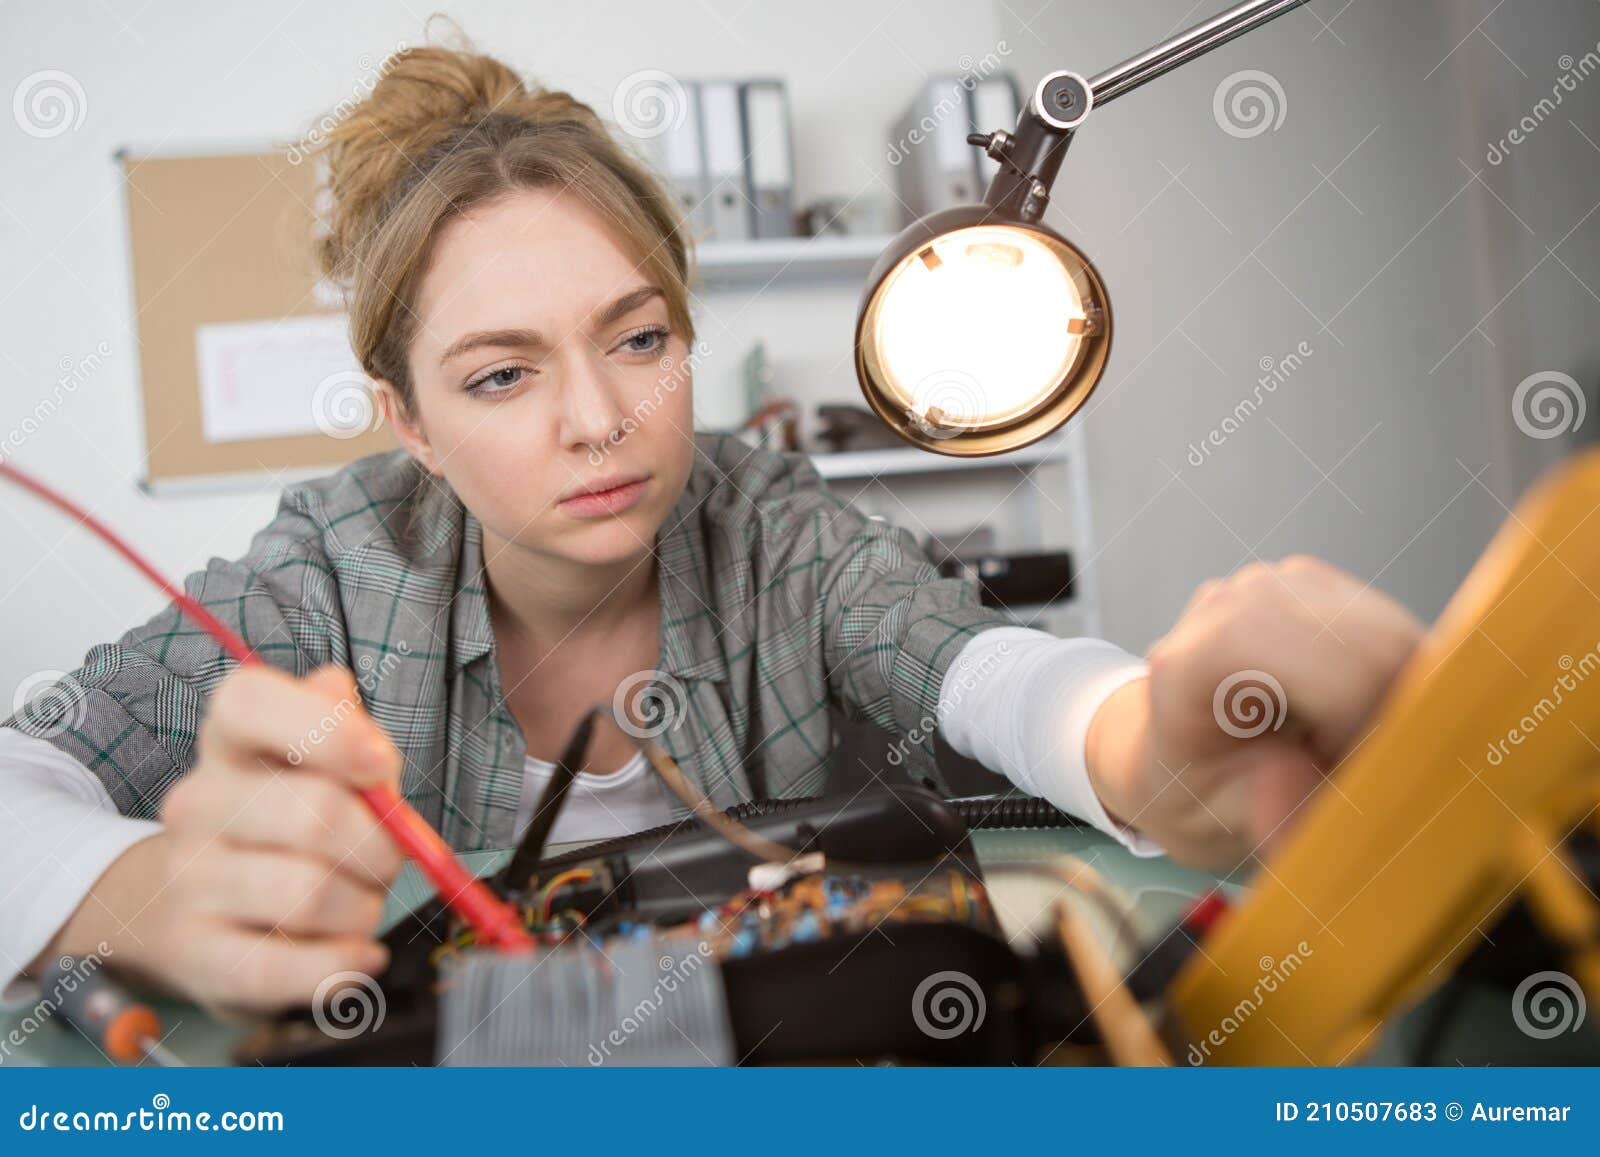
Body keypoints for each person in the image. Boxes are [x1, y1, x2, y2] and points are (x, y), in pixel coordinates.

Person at [0, 44, 1423, 1011]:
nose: (598, 418)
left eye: (638, 338)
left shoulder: (777, 525)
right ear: (409, 423)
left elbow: (977, 668)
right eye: (503, 374)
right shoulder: (325, 568)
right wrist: (133, 884)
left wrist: (1148, 732)